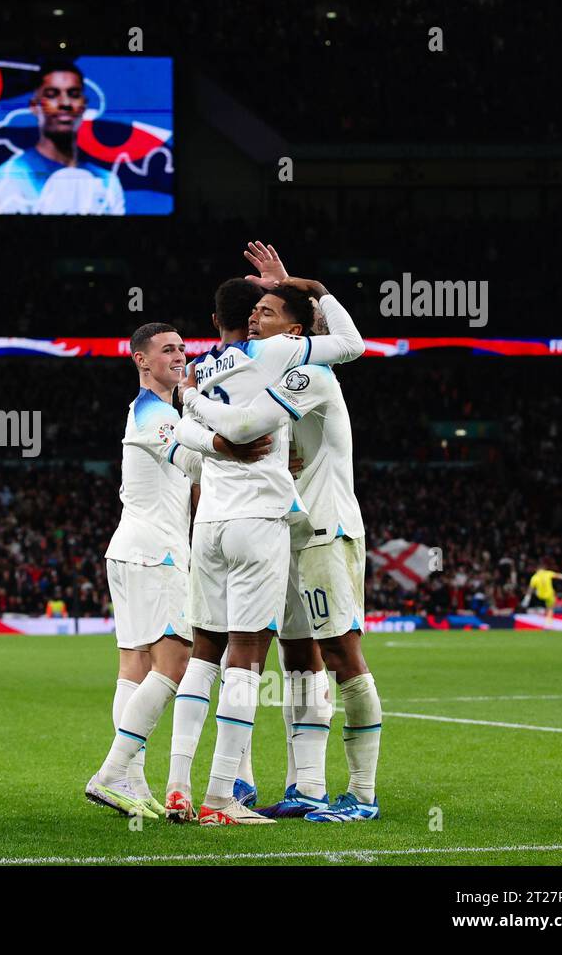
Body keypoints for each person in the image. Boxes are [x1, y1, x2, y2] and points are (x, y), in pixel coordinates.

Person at [181, 243, 382, 823]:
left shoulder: (310, 375)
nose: (255, 317)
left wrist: (306, 284)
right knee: (298, 658)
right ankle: (309, 786)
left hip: (325, 527)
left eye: (267, 312)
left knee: (343, 653)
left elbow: (245, 426)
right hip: (288, 530)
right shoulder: (269, 368)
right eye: (254, 311)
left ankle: (362, 795)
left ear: (296, 330)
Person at [85, 322, 270, 819]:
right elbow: (196, 456)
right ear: (140, 360)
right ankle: (110, 773)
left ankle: (132, 783)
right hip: (155, 554)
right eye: (167, 350)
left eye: (183, 349)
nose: (179, 356)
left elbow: (192, 469)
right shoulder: (151, 414)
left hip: (133, 550)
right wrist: (241, 447)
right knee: (177, 666)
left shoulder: (160, 411)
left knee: (135, 668)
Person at [0, 60, 125, 216]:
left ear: (84, 105)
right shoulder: (11, 177)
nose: (65, 103)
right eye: (52, 94)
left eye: (74, 94)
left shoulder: (108, 182)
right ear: (34, 106)